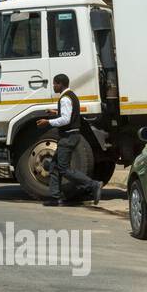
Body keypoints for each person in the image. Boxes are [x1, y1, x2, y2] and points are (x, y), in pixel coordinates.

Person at [36, 74, 102, 207]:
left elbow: (66, 119)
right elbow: (69, 114)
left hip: (68, 137)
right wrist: (55, 112)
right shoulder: (70, 95)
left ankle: (93, 184)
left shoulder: (65, 98)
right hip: (70, 136)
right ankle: (56, 198)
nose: (53, 86)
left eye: (55, 84)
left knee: (63, 169)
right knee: (54, 166)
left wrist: (47, 122)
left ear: (60, 84)